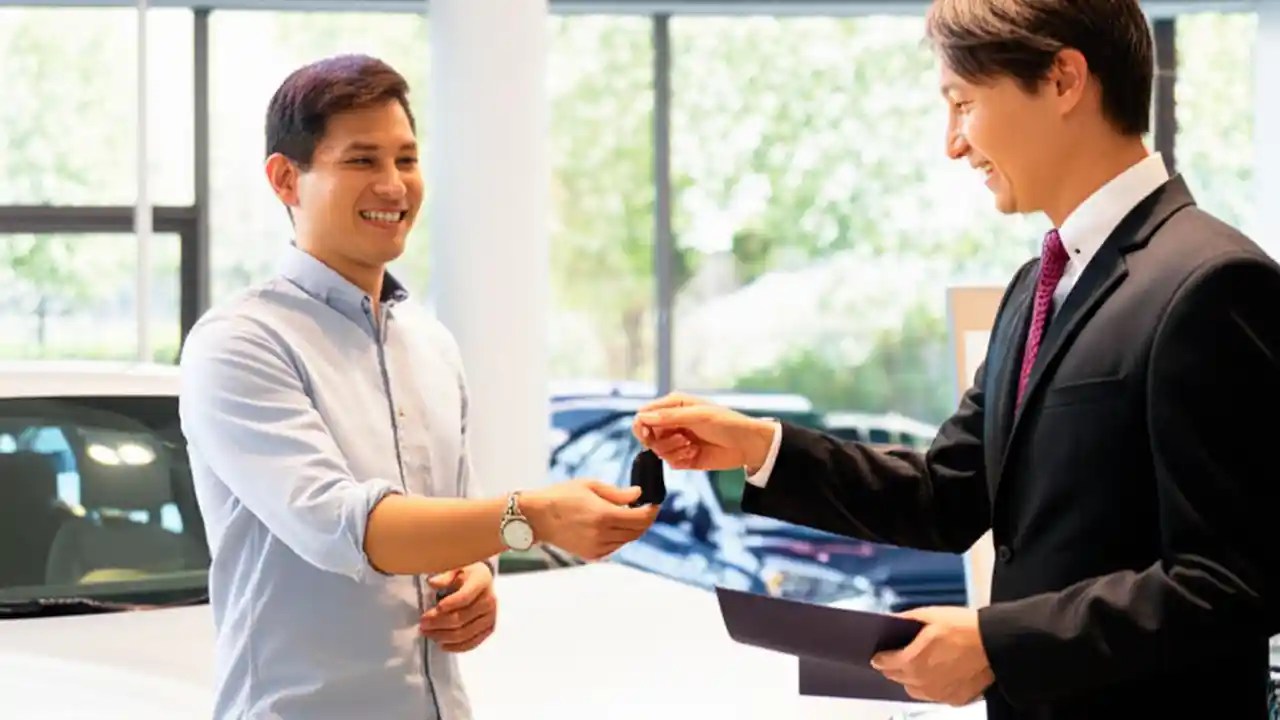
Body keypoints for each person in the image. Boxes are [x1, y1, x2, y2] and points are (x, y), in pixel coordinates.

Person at [633, 1, 1279, 718]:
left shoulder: (1213, 283)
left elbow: (1235, 578)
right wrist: (762, 448)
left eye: (963, 104)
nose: (953, 143)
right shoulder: (1035, 288)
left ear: (1064, 80)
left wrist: (1000, 644)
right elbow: (947, 495)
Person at [178, 54, 658, 720]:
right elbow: (350, 528)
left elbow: (456, 516)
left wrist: (481, 575)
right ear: (287, 179)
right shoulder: (239, 343)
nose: (393, 185)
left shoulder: (428, 342)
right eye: (362, 161)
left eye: (406, 159)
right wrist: (540, 516)